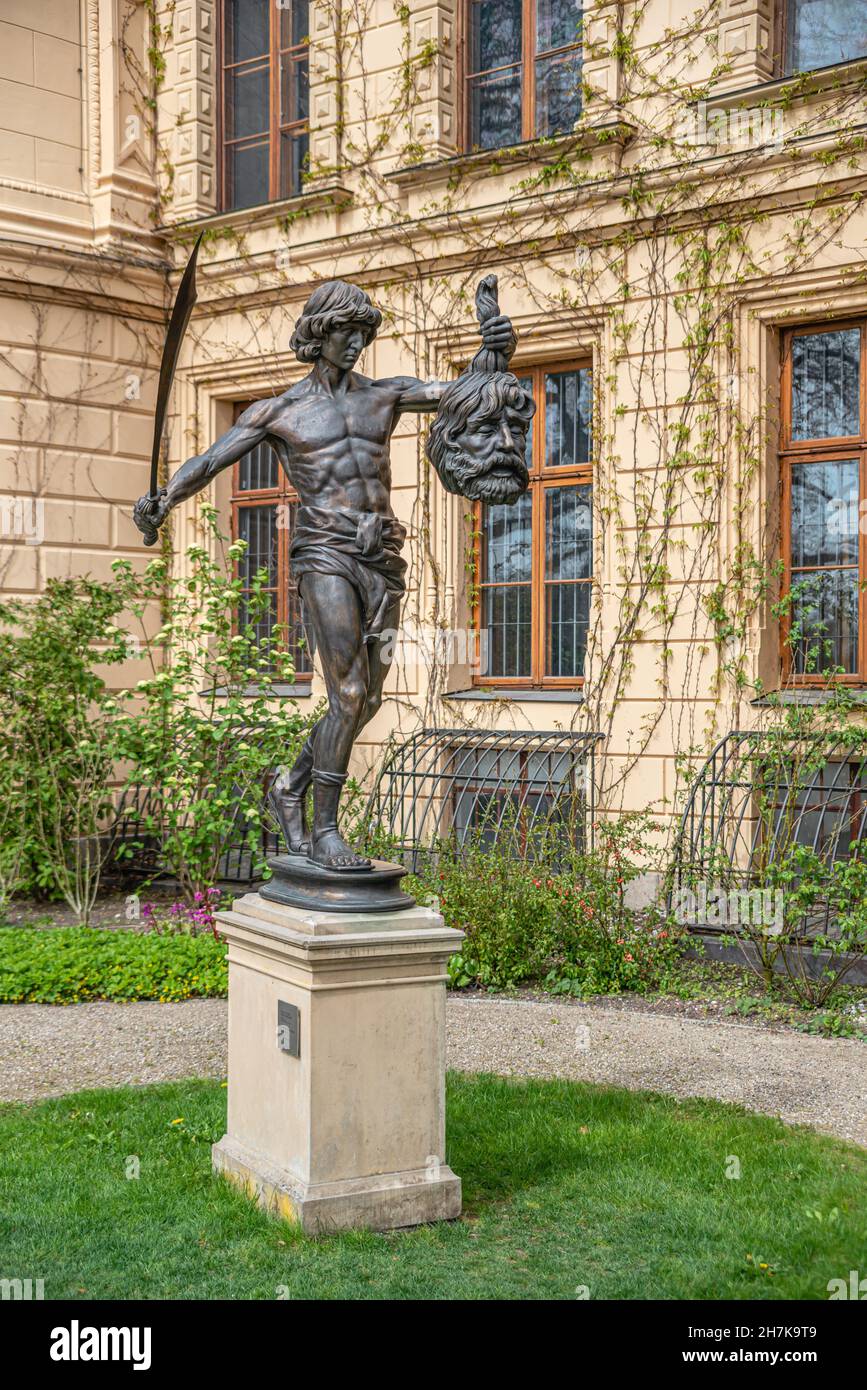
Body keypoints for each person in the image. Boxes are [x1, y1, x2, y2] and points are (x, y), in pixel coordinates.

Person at [134, 278, 522, 870]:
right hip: (325, 555)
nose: (356, 344)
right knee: (344, 692)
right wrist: (164, 500)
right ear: (319, 335)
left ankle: (288, 786)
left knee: (367, 699)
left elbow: (461, 393)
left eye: (363, 334)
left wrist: (492, 350)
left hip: (382, 557)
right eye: (345, 332)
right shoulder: (280, 412)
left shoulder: (386, 396)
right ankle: (326, 832)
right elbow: (211, 460)